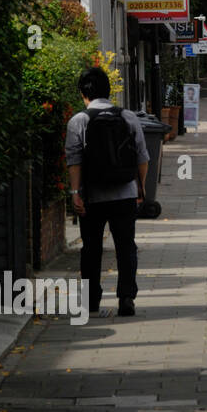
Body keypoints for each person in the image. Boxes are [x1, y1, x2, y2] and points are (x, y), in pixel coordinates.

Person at [65, 67, 150, 317]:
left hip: (92, 196)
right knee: (126, 247)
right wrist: (140, 188)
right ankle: (126, 297)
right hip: (125, 194)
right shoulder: (128, 117)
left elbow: (74, 161)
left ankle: (91, 301)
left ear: (83, 93)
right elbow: (142, 158)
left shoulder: (78, 121)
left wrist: (75, 193)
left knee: (91, 248)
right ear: (108, 90)